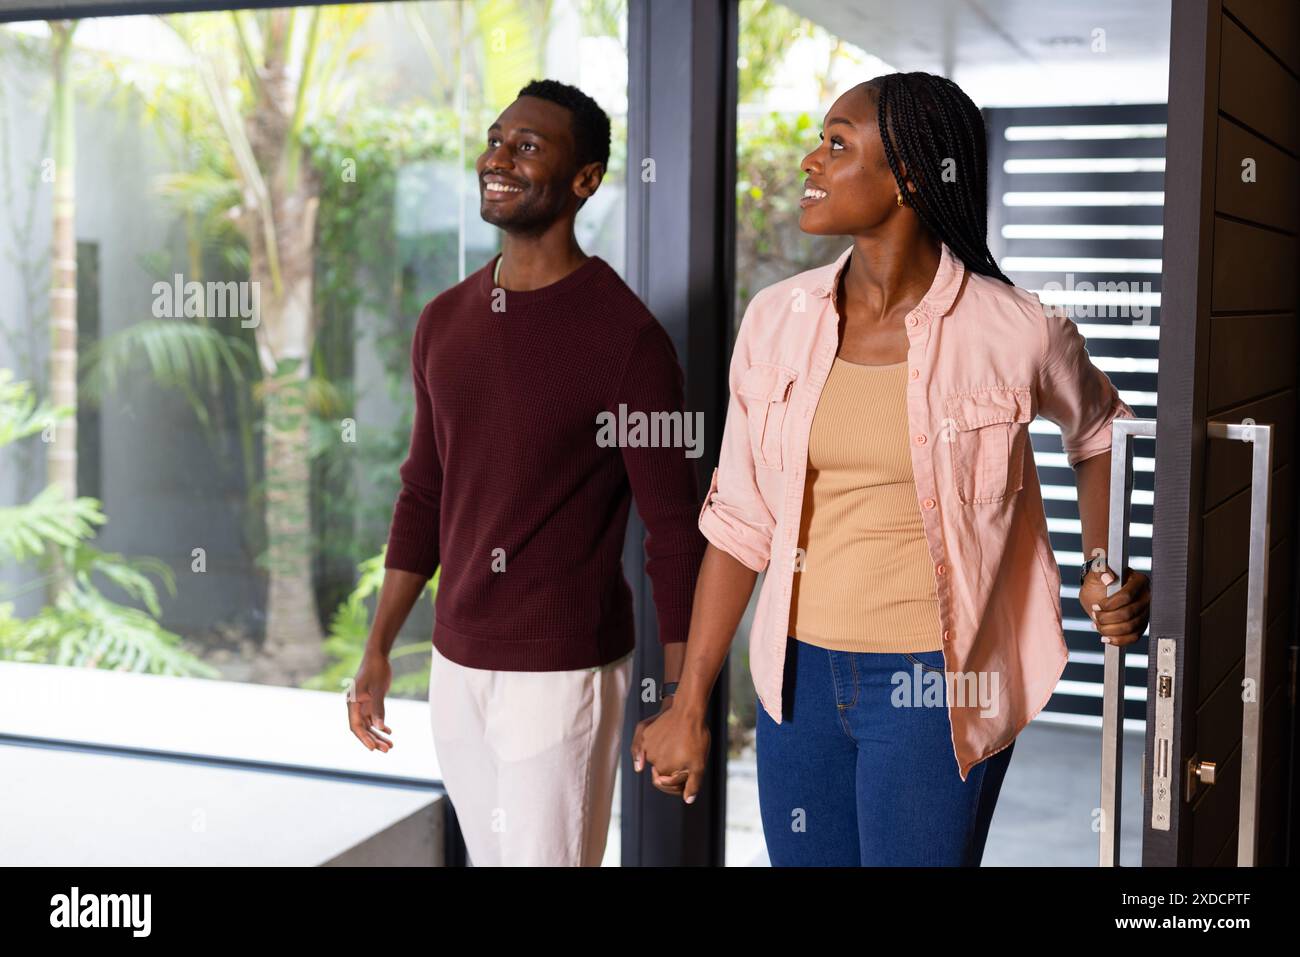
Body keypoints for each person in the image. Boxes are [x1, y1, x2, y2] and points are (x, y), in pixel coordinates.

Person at [636, 71, 1153, 866]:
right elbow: (741, 523)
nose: (809, 159)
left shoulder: (1015, 329)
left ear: (909, 175)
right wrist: (689, 700)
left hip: (934, 686)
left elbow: (1102, 432)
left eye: (837, 143)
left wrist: (1099, 563)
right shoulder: (777, 320)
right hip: (796, 683)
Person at [347, 79, 705, 866]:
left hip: (561, 672)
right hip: (455, 662)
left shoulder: (626, 339)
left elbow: (675, 533)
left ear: (585, 181)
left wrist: (686, 697)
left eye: (528, 146)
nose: (498, 159)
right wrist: (379, 643)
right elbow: (424, 490)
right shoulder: (444, 319)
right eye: (497, 139)